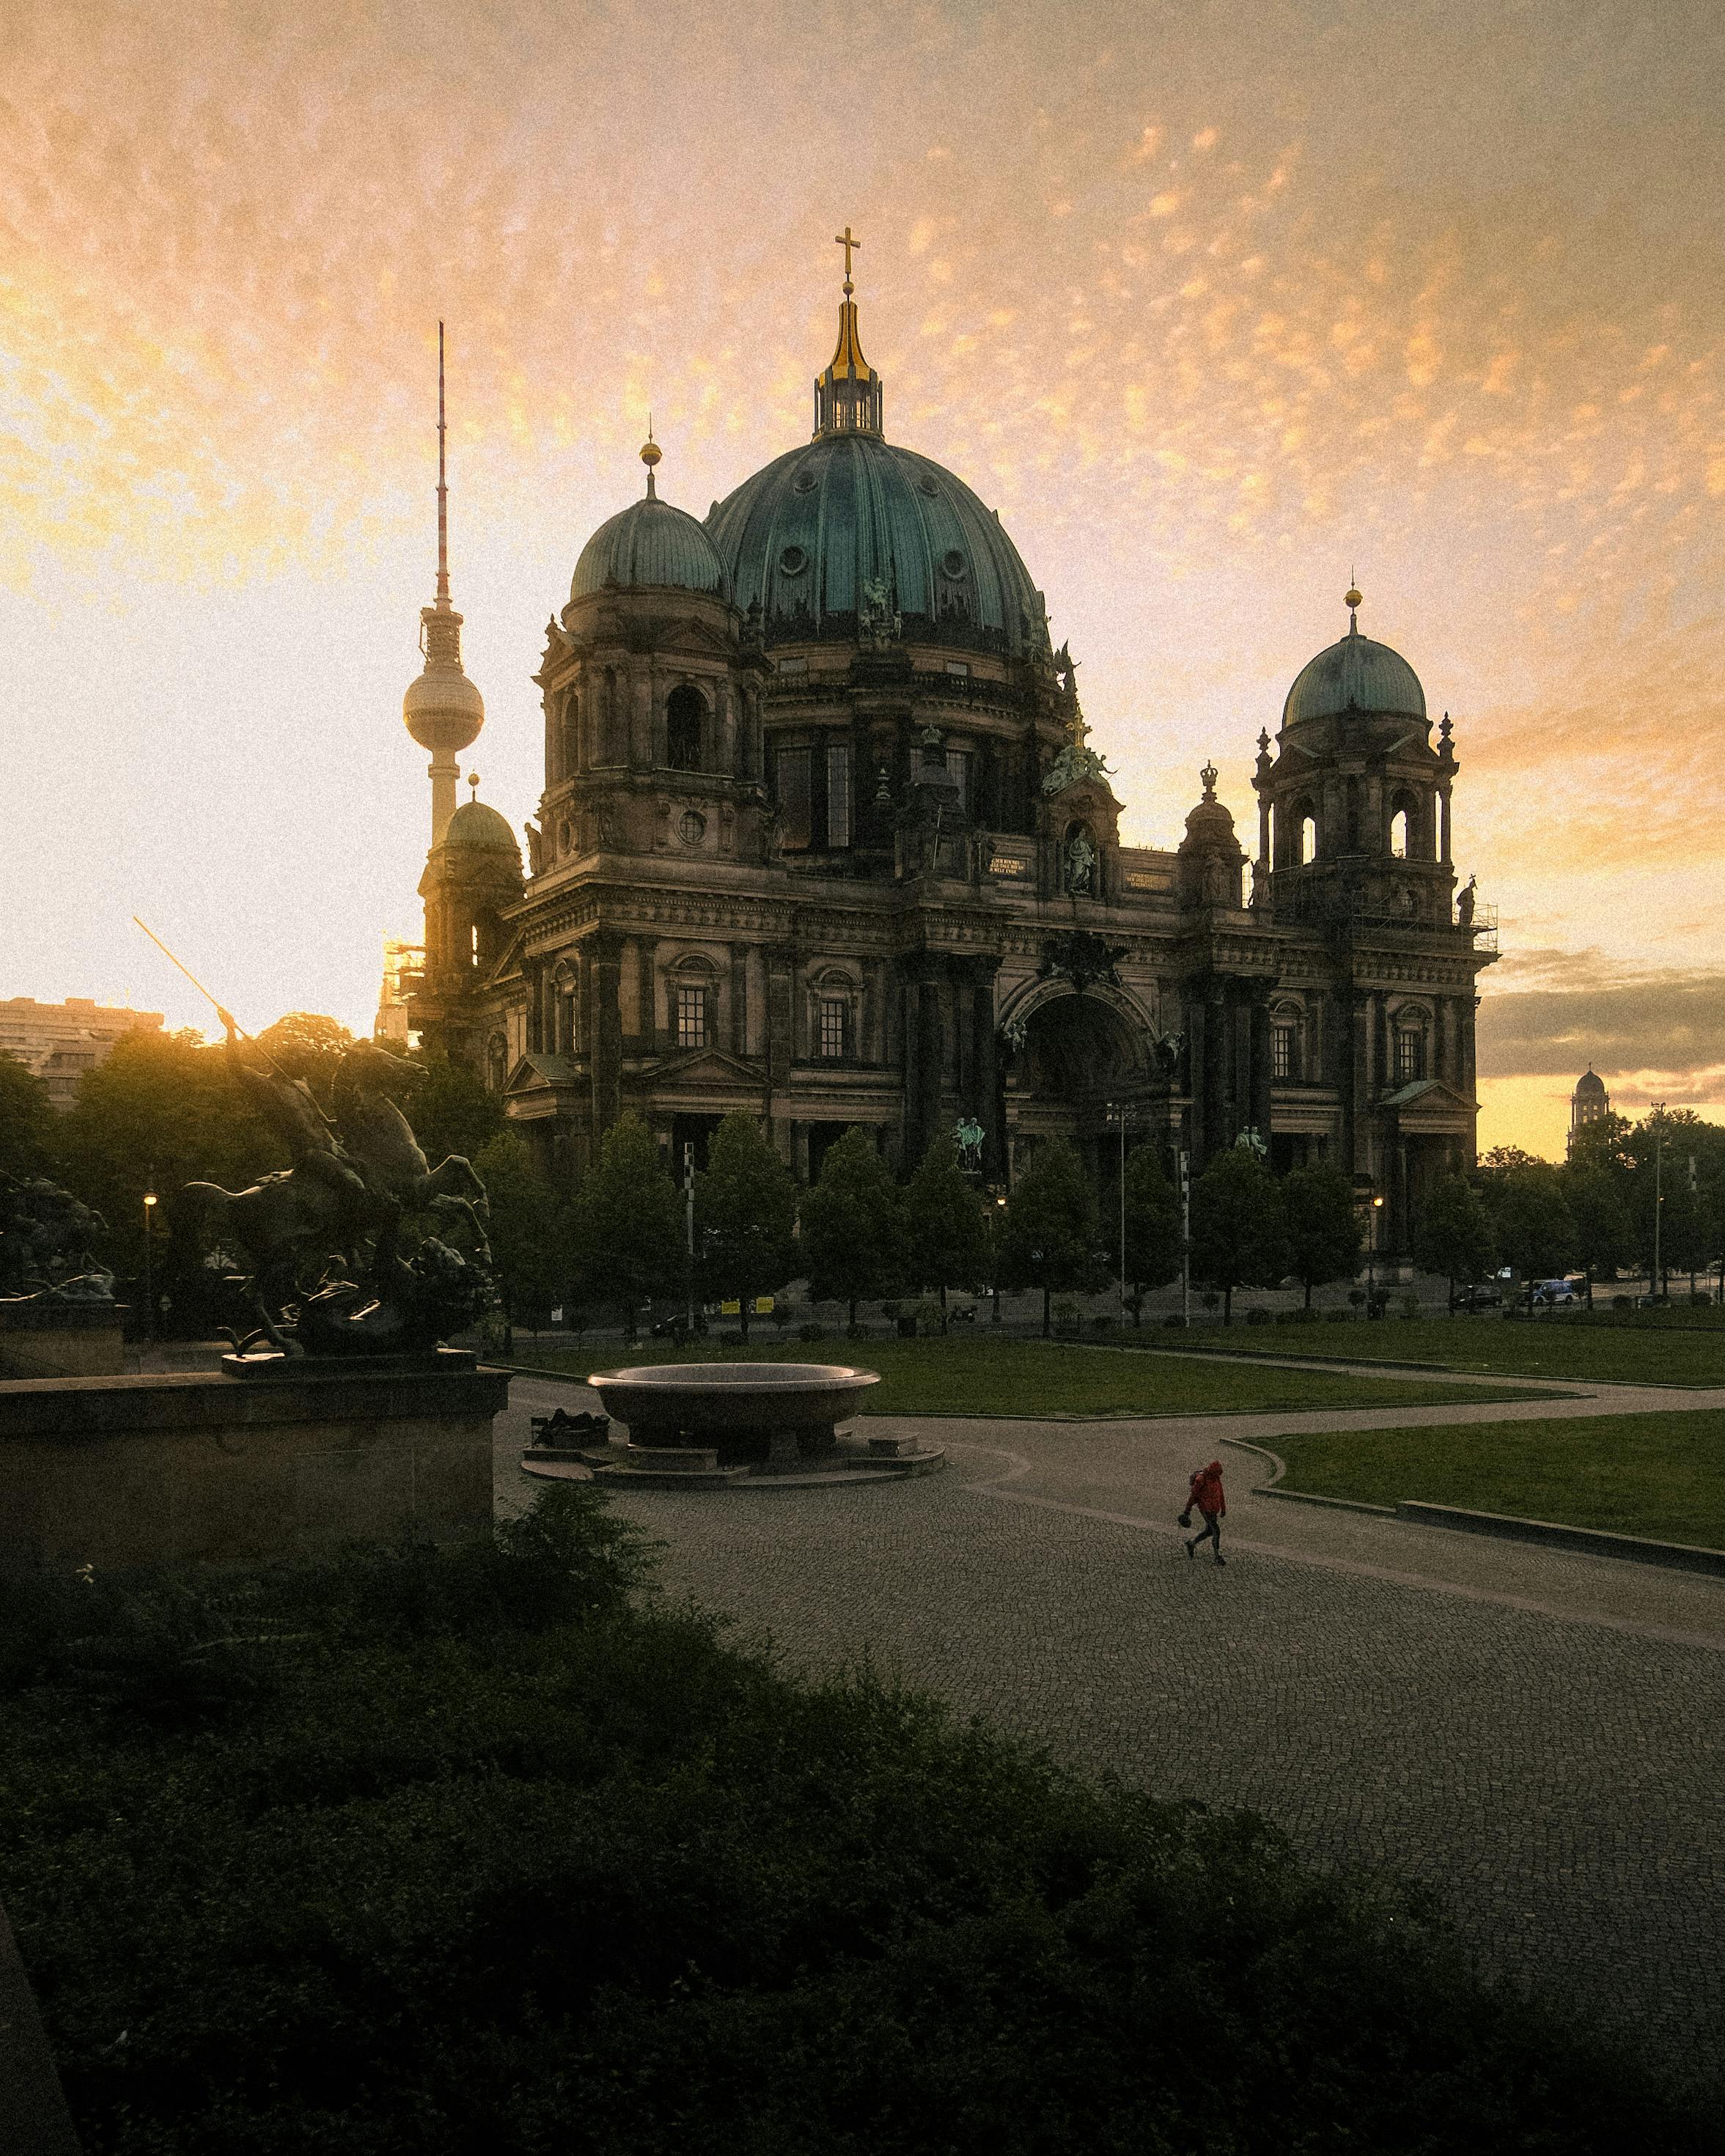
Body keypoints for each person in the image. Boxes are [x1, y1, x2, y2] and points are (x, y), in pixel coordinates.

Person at [1183, 1459, 1226, 1565]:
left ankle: (1192, 1543)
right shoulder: (1201, 1480)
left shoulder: (1216, 1479)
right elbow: (1193, 1497)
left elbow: (1221, 1494)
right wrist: (1187, 1512)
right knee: (1216, 1531)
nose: (1219, 1475)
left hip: (1214, 1510)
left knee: (1209, 1531)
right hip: (1206, 1510)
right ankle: (1217, 1556)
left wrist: (1223, 1508)